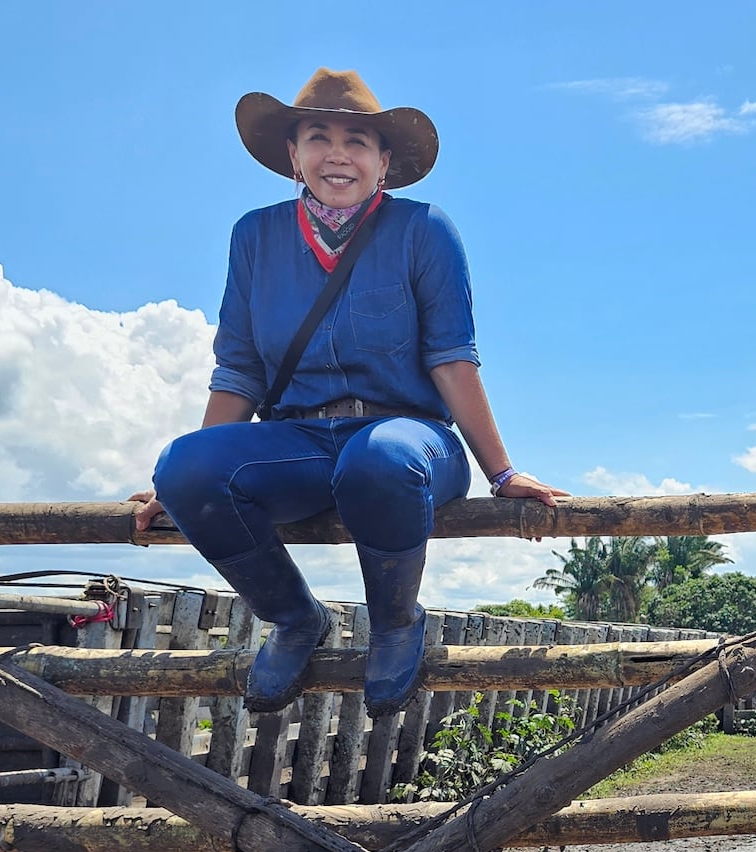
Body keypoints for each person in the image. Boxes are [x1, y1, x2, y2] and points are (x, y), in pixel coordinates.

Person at [131, 67, 567, 719]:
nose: (338, 153)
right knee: (186, 467)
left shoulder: (424, 230)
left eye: (358, 141)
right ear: (293, 156)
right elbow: (240, 369)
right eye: (319, 136)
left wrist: (502, 473)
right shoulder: (255, 236)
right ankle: (294, 619)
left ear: (384, 162)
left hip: (412, 440)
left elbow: (452, 359)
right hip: (299, 441)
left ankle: (395, 623)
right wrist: (175, 486)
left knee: (379, 460)